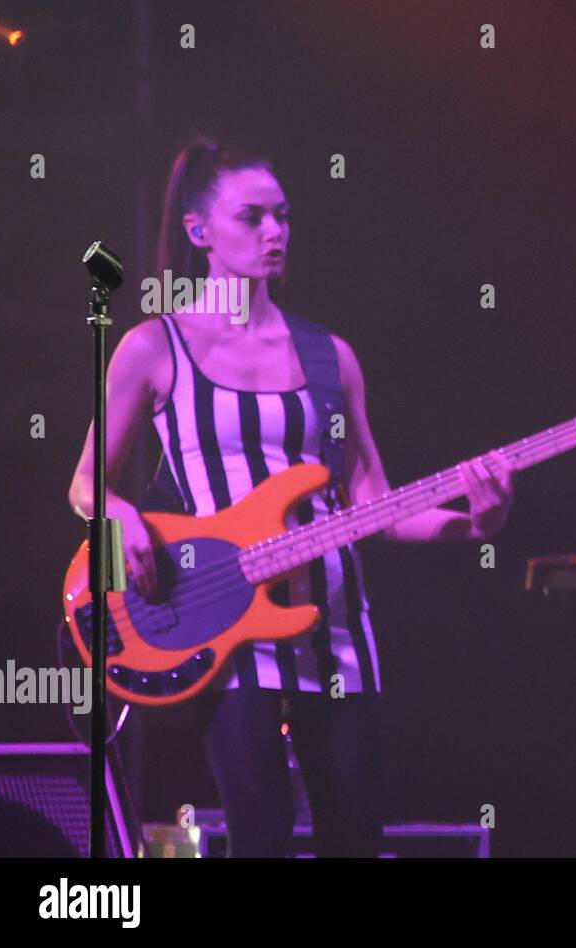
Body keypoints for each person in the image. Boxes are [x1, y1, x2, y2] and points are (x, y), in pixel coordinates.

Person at [68, 135, 515, 856]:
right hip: (225, 621)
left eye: (282, 215)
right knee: (262, 833)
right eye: (252, 217)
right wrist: (121, 516)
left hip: (335, 627)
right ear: (198, 231)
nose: (274, 232)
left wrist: (477, 523)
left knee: (354, 838)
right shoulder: (155, 348)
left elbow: (378, 504)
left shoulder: (328, 355)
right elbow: (87, 482)